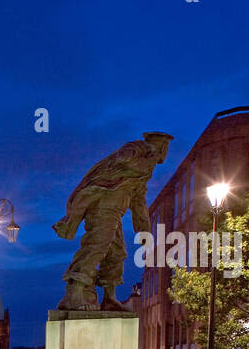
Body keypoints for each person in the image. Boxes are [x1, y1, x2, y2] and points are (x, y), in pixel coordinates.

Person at [53, 132, 173, 312]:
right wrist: (147, 156)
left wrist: (144, 230)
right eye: (165, 149)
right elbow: (123, 159)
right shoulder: (136, 149)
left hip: (115, 212)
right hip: (102, 206)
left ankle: (109, 298)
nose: (164, 155)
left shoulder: (143, 173)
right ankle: (74, 292)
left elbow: (138, 201)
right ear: (162, 147)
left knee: (118, 253)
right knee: (97, 246)